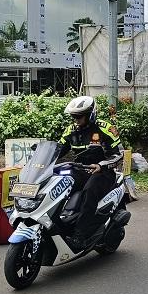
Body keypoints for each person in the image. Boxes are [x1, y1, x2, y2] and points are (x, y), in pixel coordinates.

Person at [58, 95, 123, 251]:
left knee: (89, 191)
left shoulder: (105, 128)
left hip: (102, 172)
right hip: (80, 170)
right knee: (59, 186)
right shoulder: (71, 130)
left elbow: (119, 154)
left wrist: (101, 165)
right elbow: (58, 149)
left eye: (79, 116)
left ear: (90, 114)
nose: (76, 119)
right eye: (73, 116)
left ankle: (80, 235)